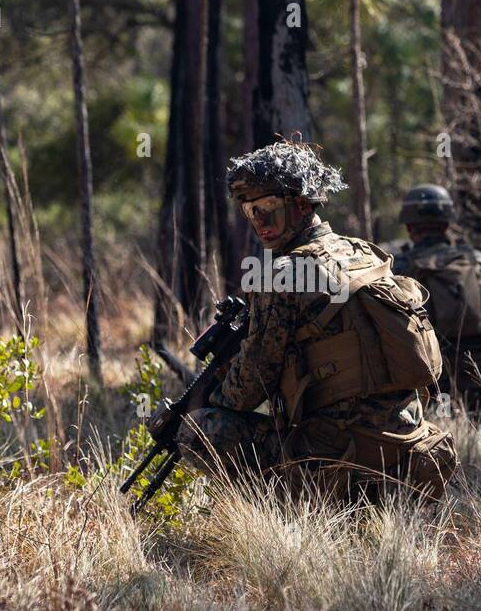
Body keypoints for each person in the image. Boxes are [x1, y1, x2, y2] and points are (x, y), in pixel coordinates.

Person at [176, 140, 458, 501]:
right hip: (407, 450)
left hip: (337, 460)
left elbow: (247, 390)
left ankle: (281, 518)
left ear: (302, 204)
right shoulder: (364, 252)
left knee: (200, 429)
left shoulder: (281, 275)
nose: (258, 220)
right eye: (249, 210)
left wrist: (206, 395)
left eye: (268, 207)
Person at [391, 184, 481, 413]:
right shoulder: (479, 261)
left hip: (431, 381)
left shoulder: (399, 268)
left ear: (409, 226)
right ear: (447, 223)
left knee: (436, 428)